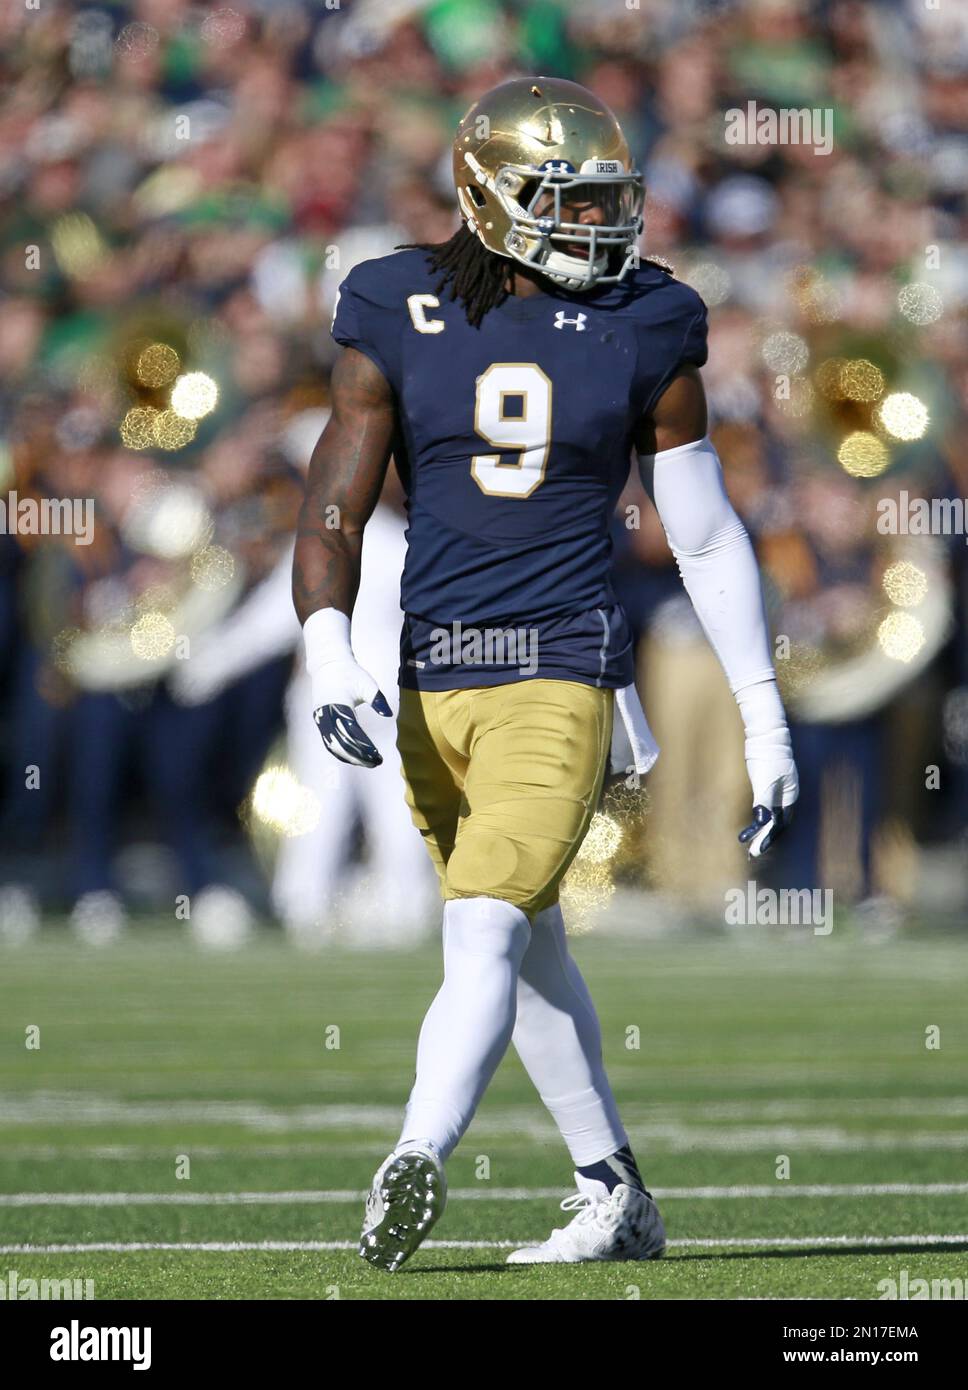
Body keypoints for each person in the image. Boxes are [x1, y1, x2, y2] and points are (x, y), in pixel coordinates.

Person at [291, 77, 799, 1271]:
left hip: (558, 669)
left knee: (479, 934)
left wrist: (760, 713)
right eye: (563, 201)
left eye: (604, 200)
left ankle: (416, 1153)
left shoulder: (649, 319)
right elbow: (332, 503)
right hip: (428, 679)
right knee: (527, 945)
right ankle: (610, 1188)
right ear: (485, 197)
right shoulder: (392, 301)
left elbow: (708, 533)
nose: (594, 226)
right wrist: (327, 644)